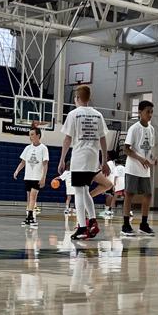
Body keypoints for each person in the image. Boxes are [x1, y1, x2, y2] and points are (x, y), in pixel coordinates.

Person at [57, 84, 109, 241]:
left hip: (79, 158)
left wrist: (61, 160)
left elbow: (67, 138)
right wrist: (104, 160)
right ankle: (92, 221)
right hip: (93, 159)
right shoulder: (98, 115)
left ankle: (82, 227)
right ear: (89, 97)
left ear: (77, 98)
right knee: (85, 191)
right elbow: (103, 138)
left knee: (78, 193)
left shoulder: (73, 114)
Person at [121, 100, 156, 236]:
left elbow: (150, 149)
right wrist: (141, 159)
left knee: (148, 194)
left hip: (145, 169)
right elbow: (126, 149)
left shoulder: (151, 129)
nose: (150, 114)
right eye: (148, 111)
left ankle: (144, 224)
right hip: (133, 167)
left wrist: (153, 158)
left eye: (152, 112)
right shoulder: (134, 128)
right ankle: (125, 224)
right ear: (139, 112)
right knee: (129, 194)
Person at [14, 126, 49, 227]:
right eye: (30, 135)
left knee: (33, 197)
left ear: (38, 135)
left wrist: (43, 178)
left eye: (32, 134)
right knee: (29, 198)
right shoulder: (27, 148)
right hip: (28, 176)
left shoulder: (43, 148)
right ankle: (29, 218)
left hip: (37, 177)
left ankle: (31, 218)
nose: (30, 137)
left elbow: (45, 164)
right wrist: (17, 171)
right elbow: (23, 162)